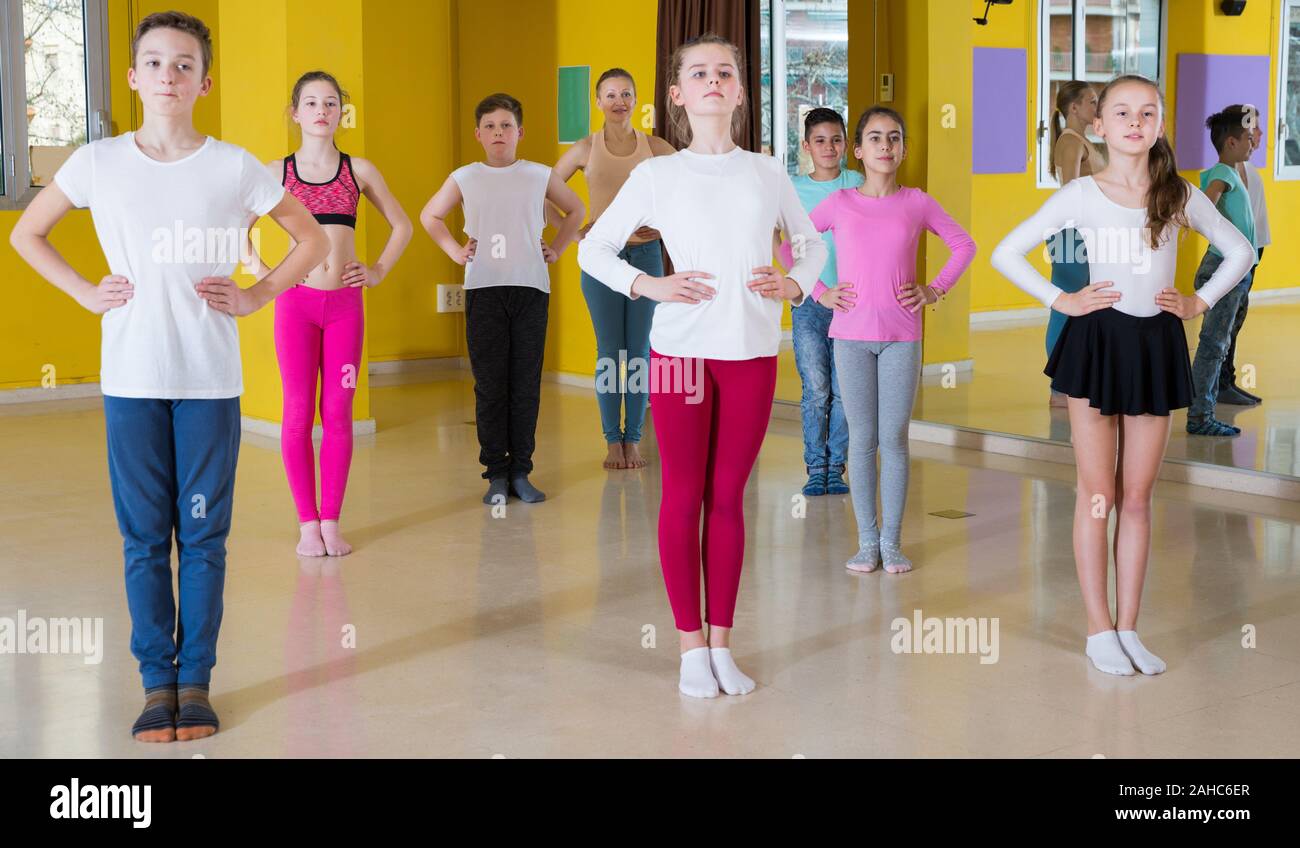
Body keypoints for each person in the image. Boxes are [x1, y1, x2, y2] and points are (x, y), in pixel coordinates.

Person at [9, 11, 330, 739]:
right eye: (154, 63)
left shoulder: (234, 166)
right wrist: (86, 292)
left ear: (204, 81)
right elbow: (28, 232)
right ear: (132, 77)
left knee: (205, 537)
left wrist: (256, 294)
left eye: (184, 65)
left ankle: (197, 681)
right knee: (145, 537)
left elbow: (309, 237)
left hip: (208, 382)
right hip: (130, 379)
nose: (168, 76)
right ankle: (158, 681)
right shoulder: (98, 162)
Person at [578, 34, 827, 698]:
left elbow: (810, 245)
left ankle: (722, 644)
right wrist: (649, 286)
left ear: (741, 92)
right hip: (679, 358)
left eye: (725, 72)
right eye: (699, 73)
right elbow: (594, 249)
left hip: (750, 357)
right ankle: (689, 647)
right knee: (682, 496)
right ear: (679, 95)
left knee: (728, 500)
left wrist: (796, 284)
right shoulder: (658, 175)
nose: (713, 80)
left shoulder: (767, 172)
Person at [991, 75, 1253, 676]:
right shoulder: (1081, 193)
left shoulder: (1178, 193)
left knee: (1136, 497)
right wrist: (1062, 299)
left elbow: (1239, 248)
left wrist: (1200, 300)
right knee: (1099, 492)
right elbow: (1006, 252)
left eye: (1148, 112)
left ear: (1159, 124)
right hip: (1097, 340)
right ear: (1100, 126)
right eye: (1122, 113)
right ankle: (1097, 630)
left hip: (1155, 341)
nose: (1136, 122)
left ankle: (1129, 626)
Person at [246, 71, 412, 556]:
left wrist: (378, 269)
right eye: (312, 102)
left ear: (341, 112)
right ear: (295, 112)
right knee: (297, 412)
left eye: (332, 103)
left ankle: (332, 521)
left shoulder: (357, 170)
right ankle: (306, 524)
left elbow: (401, 225)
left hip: (344, 307)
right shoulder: (276, 172)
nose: (322, 110)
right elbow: (237, 225)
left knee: (337, 412)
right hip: (294, 307)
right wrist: (263, 272)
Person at [813, 106, 975, 574]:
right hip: (850, 337)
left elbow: (964, 245)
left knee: (895, 439)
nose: (886, 146)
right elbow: (792, 243)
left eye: (895, 138)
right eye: (876, 138)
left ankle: (892, 543)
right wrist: (822, 292)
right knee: (862, 440)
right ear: (858, 150)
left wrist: (935, 289)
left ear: (902, 149)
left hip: (902, 337)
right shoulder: (840, 203)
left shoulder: (917, 202)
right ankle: (866, 543)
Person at [420, 93, 585, 504]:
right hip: (483, 291)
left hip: (531, 290)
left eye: (506, 126)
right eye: (491, 126)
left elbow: (576, 211)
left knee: (525, 385)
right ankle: (495, 472)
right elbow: (430, 216)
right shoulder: (466, 176)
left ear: (520, 132)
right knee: (491, 385)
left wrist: (558, 247)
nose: (499, 133)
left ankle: (521, 471)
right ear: (478, 134)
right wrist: (456, 251)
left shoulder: (538, 175)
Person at [548, 68, 676, 470]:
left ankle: (633, 439)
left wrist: (665, 223)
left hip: (646, 255)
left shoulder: (655, 147)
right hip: (602, 261)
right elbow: (543, 190)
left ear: (635, 100)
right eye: (610, 95)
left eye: (626, 94)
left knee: (638, 353)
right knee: (610, 352)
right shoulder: (585, 148)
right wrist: (574, 232)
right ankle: (611, 441)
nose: (619, 101)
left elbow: (690, 190)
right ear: (598, 101)